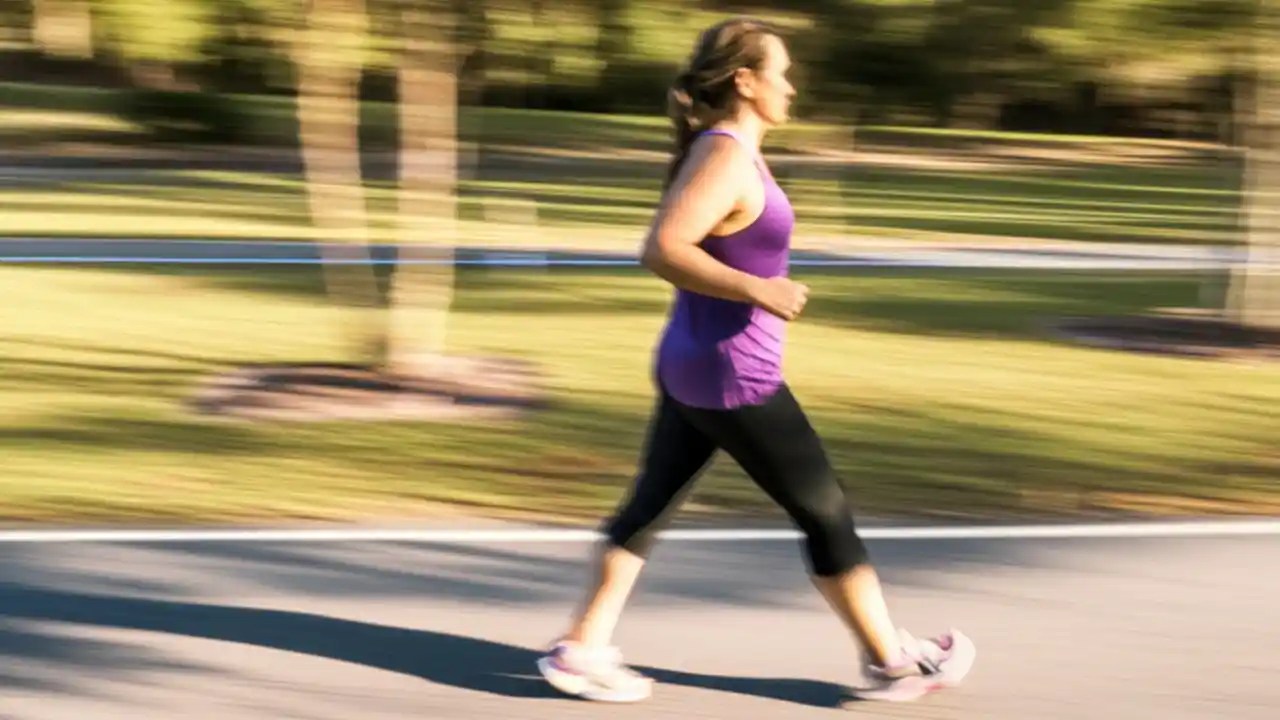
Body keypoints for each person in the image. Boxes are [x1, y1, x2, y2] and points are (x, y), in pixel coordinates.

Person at [536, 17, 975, 705]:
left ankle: (582, 649)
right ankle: (891, 662)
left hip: (692, 365)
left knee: (649, 506)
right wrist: (757, 289)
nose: (791, 87)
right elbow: (662, 248)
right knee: (825, 512)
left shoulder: (724, 150)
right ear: (745, 80)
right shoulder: (726, 156)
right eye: (782, 73)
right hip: (734, 376)